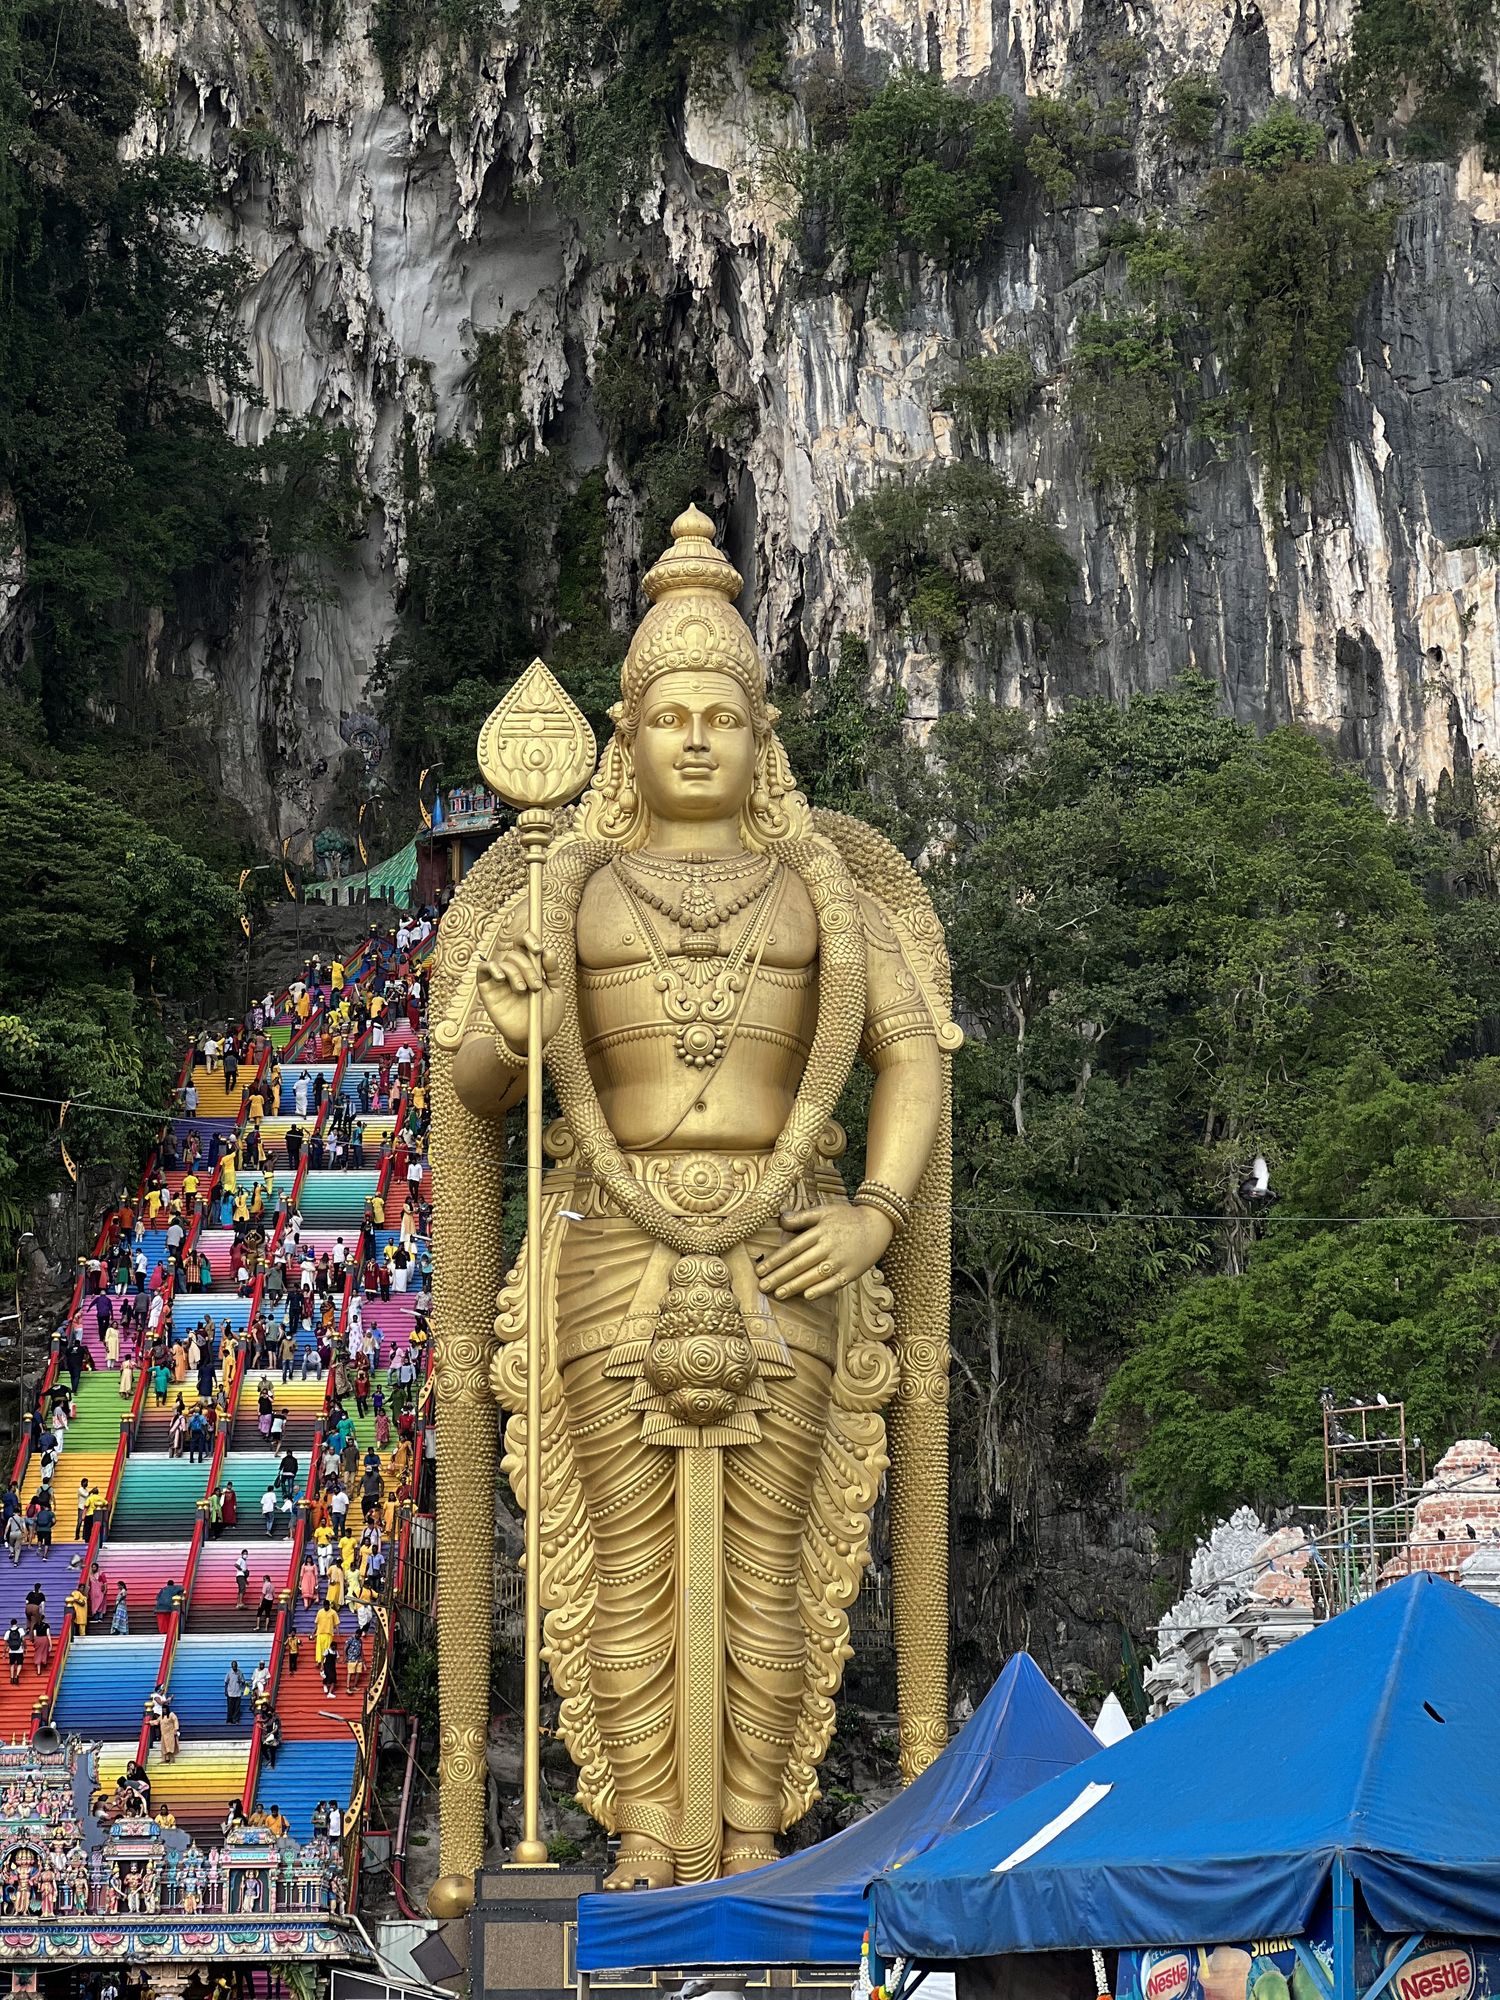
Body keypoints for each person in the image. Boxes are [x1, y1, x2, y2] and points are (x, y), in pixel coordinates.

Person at [158, 1698, 181, 1763]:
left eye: (165, 1710)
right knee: (164, 1747)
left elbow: (175, 1721)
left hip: (170, 1734)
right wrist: (149, 1722)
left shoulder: (171, 1714)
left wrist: (176, 1730)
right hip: (163, 1734)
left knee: (170, 1747)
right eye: (163, 1710)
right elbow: (156, 1721)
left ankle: (172, 1759)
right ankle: (164, 1759)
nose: (164, 1711)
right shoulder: (161, 1716)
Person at [224, 1659, 245, 1725]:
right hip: (230, 1693)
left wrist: (241, 1681)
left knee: (237, 1708)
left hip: (238, 1693)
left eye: (235, 1666)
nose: (234, 1667)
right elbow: (226, 1682)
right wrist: (225, 1691)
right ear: (231, 1666)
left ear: (237, 1666)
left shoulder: (240, 1672)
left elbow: (243, 1681)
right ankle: (229, 1720)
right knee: (230, 1708)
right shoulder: (229, 1673)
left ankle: (236, 1720)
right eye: (233, 1666)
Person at [5, 1618, 23, 1685]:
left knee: (12, 1664)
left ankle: (12, 1678)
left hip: (11, 1650)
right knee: (19, 1664)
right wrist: (25, 1647)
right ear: (16, 1623)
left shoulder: (8, 1631)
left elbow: (6, 1642)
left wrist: (4, 1651)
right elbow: (23, 1639)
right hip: (19, 1650)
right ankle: (16, 1676)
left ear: (11, 1624)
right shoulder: (20, 1630)